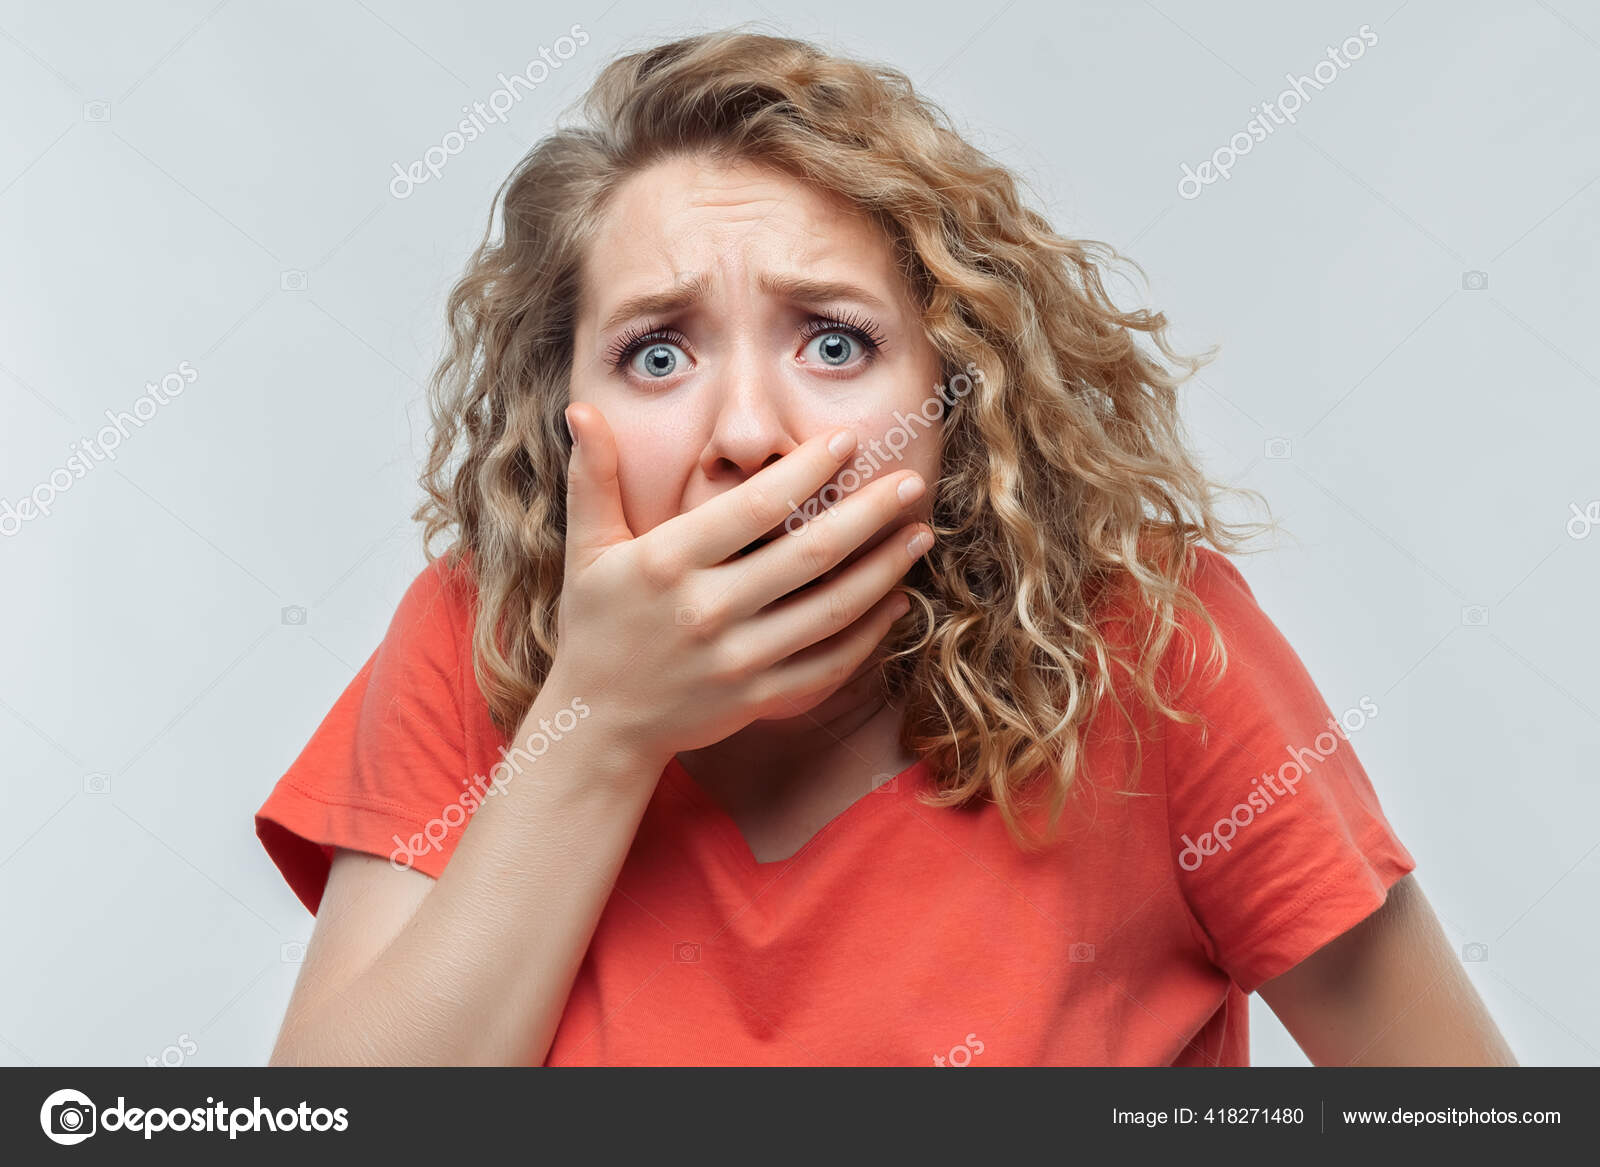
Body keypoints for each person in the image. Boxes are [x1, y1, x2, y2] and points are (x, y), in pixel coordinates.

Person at [254, 29, 1515, 1067]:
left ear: (955, 393)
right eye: (657, 354)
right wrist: (602, 722)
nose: (747, 433)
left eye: (835, 343)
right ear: (562, 410)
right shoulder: (478, 632)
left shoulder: (1152, 644)